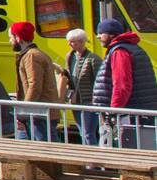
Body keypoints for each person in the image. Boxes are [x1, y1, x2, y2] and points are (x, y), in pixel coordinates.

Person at [93, 18, 157, 149]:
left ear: (111, 34)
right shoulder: (134, 48)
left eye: (101, 33)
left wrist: (114, 110)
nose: (98, 36)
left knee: (133, 150)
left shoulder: (120, 51)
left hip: (131, 113)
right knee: (144, 149)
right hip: (142, 110)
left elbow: (122, 85)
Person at [9, 21, 58, 141]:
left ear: (18, 38)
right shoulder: (33, 54)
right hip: (40, 112)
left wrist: (24, 110)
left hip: (40, 114)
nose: (10, 41)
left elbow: (34, 85)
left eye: (11, 37)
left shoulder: (31, 56)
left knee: (45, 151)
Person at [61, 28, 103, 145]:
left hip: (89, 102)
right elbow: (70, 75)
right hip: (75, 100)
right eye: (69, 41)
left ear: (82, 41)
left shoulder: (93, 59)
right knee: (82, 132)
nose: (69, 44)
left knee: (88, 132)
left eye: (73, 41)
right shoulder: (69, 56)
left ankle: (93, 160)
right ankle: (89, 158)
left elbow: (99, 81)